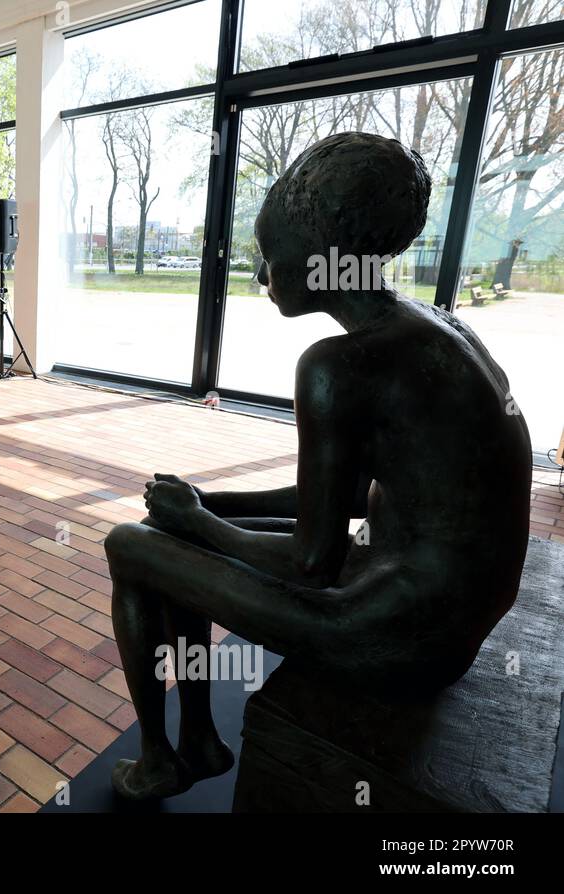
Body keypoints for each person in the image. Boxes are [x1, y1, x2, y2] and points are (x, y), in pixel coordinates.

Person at [102, 132, 531, 801]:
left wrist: (200, 522)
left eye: (270, 258)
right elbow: (354, 498)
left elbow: (314, 563)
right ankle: (198, 743)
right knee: (178, 533)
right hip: (443, 619)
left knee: (129, 545)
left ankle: (163, 759)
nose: (262, 276)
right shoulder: (440, 328)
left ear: (319, 260)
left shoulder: (336, 367)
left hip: (398, 639)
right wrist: (213, 503)